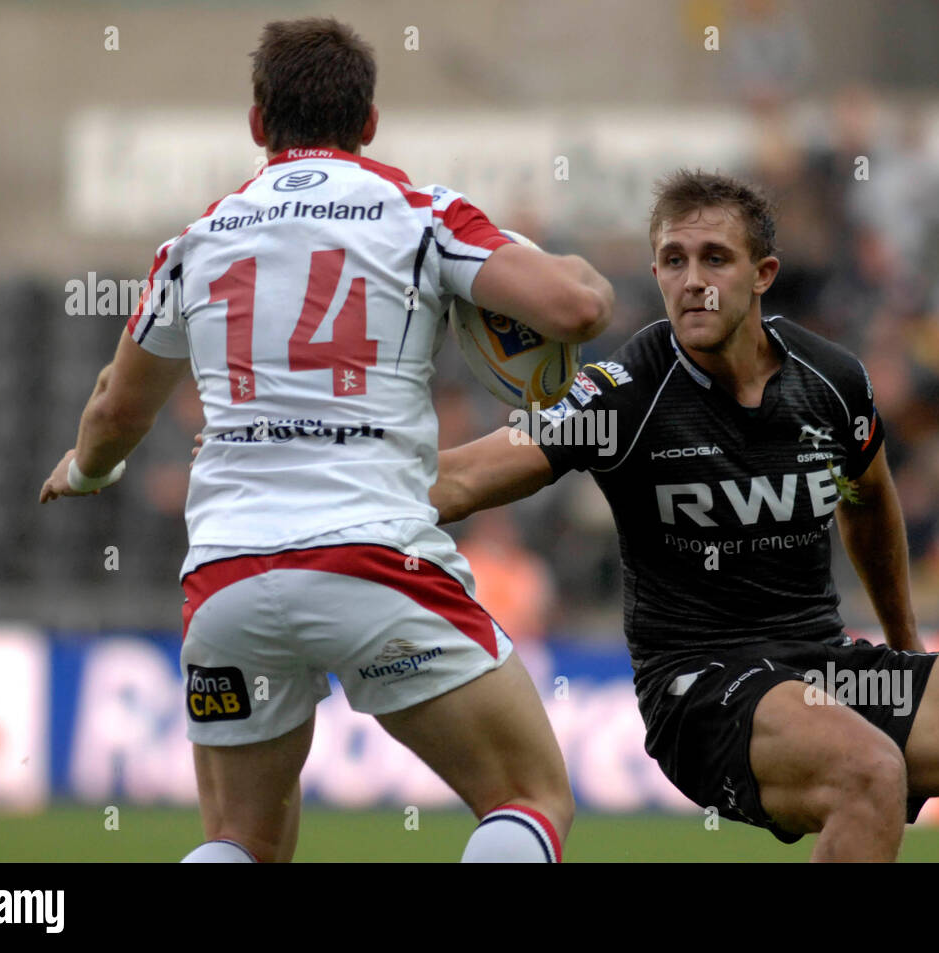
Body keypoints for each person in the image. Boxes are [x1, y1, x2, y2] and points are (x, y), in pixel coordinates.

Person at [432, 168, 939, 862]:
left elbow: (870, 504)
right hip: (701, 692)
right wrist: (334, 490)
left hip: (828, 668)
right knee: (868, 771)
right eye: (673, 260)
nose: (691, 280)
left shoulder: (831, 381)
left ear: (763, 273)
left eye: (715, 259)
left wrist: (906, 646)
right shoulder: (622, 389)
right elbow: (468, 477)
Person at [40, 16, 613, 863]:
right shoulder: (423, 214)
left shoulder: (194, 243)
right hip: (372, 560)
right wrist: (582, 274)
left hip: (229, 579)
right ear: (371, 122)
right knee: (530, 795)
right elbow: (575, 312)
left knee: (241, 842)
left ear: (257, 124)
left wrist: (87, 467)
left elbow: (116, 410)